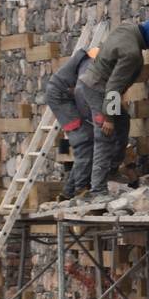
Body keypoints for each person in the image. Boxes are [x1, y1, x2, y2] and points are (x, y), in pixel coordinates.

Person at [75, 18, 149, 194]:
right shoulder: (131, 55)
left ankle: (112, 170)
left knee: (123, 122)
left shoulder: (128, 28)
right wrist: (108, 118)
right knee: (105, 136)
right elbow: (113, 87)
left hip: (94, 83)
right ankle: (98, 190)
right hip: (98, 89)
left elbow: (145, 40)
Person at [45, 45, 98, 199]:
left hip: (63, 96)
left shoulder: (88, 60)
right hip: (61, 98)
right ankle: (80, 189)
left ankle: (68, 193)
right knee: (83, 141)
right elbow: (81, 90)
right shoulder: (89, 63)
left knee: (87, 141)